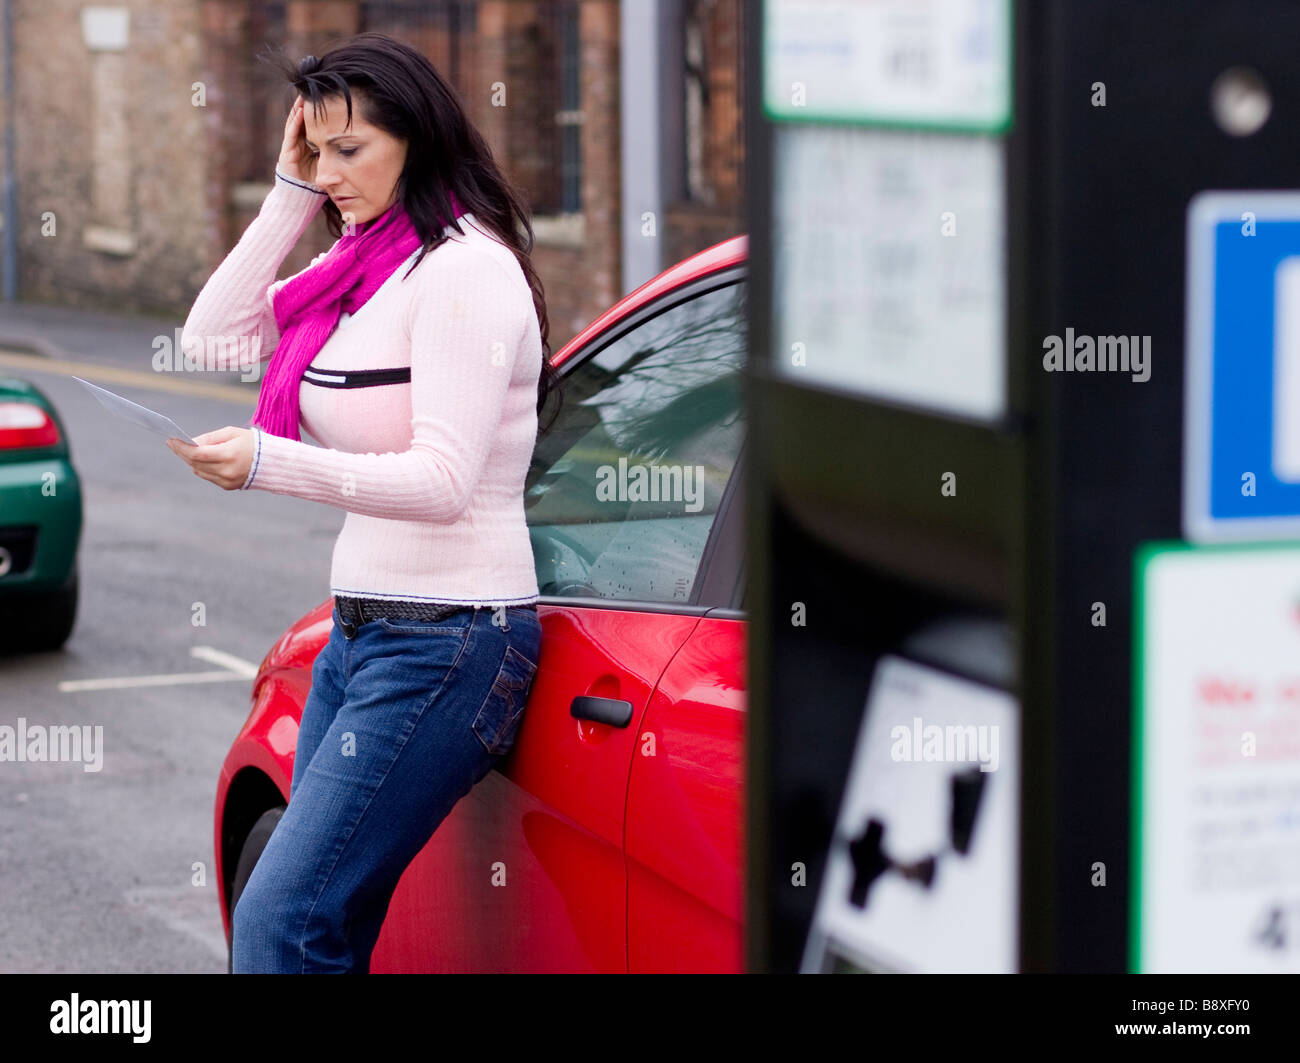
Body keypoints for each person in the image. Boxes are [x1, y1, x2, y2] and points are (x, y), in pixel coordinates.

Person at [166, 32, 561, 973]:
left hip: (450, 638)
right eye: (319, 148)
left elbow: (443, 480)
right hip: (362, 632)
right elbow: (211, 339)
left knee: (283, 922)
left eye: (352, 152)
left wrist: (270, 462)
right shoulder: (360, 265)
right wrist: (290, 193)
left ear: (416, 142)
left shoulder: (465, 269)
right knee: (316, 921)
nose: (333, 172)